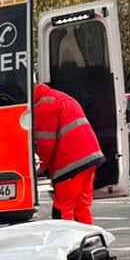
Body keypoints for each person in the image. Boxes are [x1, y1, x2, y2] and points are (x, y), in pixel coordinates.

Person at [33, 83, 105, 225]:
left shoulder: (43, 107)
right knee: (82, 205)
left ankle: (66, 241)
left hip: (70, 163)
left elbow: (46, 143)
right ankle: (89, 241)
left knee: (63, 207)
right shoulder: (59, 97)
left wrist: (40, 168)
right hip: (91, 156)